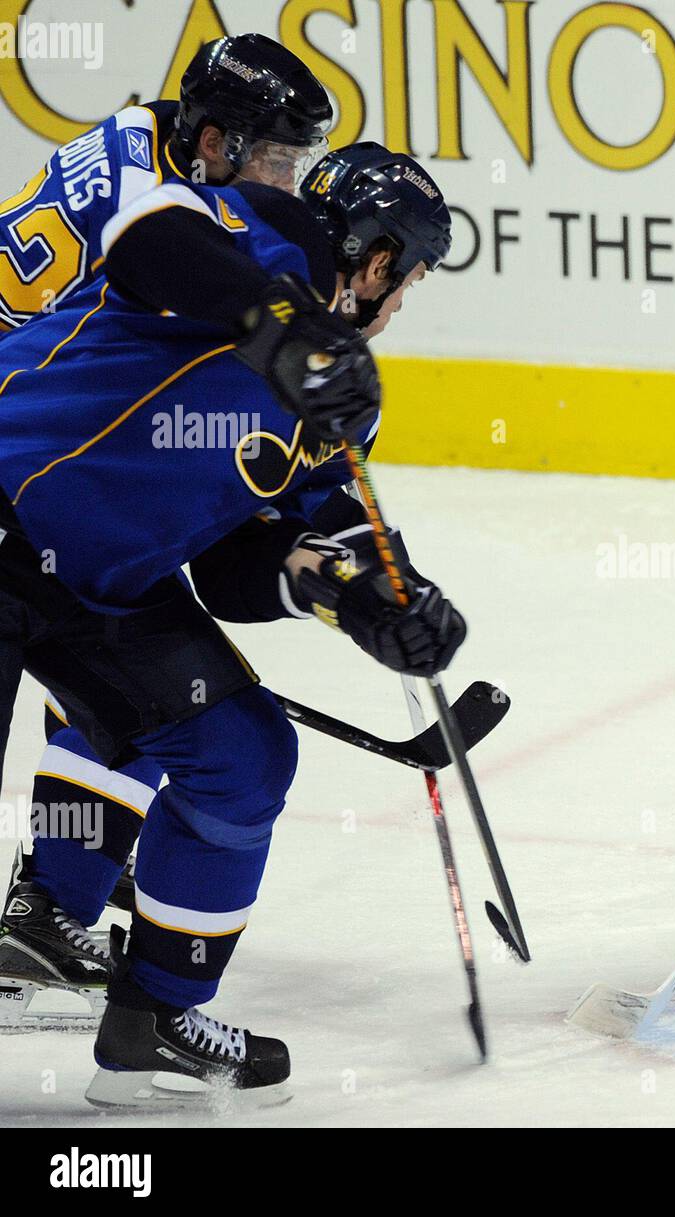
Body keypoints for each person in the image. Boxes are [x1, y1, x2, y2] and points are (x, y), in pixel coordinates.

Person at [0, 142, 461, 1103]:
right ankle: (48, 906)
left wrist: (361, 596)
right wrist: (286, 327)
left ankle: (152, 1020)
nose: (404, 301)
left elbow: (242, 563)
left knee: (241, 754)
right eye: (408, 278)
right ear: (375, 261)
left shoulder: (338, 403)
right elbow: (146, 239)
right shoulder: (272, 233)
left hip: (86, 586)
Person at [0, 31, 331, 1021]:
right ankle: (52, 899)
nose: (284, 181)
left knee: (119, 642)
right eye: (275, 157)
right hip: (24, 450)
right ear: (219, 138)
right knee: (120, 635)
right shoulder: (164, 198)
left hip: (40, 442)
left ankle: (50, 904)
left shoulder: (151, 140)